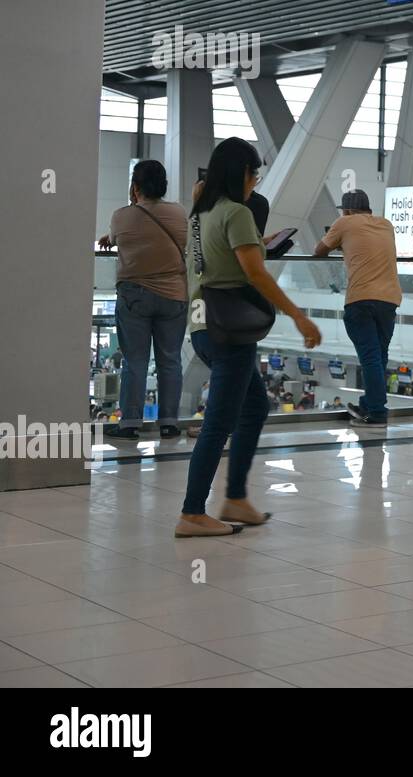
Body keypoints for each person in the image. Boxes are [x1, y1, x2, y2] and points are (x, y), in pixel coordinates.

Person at [178, 137, 322, 538]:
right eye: (254, 174)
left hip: (202, 322)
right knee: (219, 422)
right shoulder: (236, 213)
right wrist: (298, 317)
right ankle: (192, 513)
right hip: (229, 328)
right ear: (240, 173)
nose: (255, 182)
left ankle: (236, 498)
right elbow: (255, 273)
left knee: (254, 406)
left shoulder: (199, 212)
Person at [98, 160, 189, 440]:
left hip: (135, 296)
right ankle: (169, 423)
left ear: (135, 187)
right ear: (163, 186)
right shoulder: (178, 213)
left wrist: (111, 238)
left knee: (135, 361)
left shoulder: (121, 216)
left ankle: (130, 425)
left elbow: (117, 238)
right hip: (174, 295)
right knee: (170, 361)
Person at [315, 189, 401, 427]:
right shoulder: (386, 224)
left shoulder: (344, 222)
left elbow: (319, 251)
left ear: (348, 211)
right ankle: (369, 403)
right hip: (389, 299)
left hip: (361, 299)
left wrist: (341, 243)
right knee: (379, 356)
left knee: (370, 358)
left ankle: (376, 413)